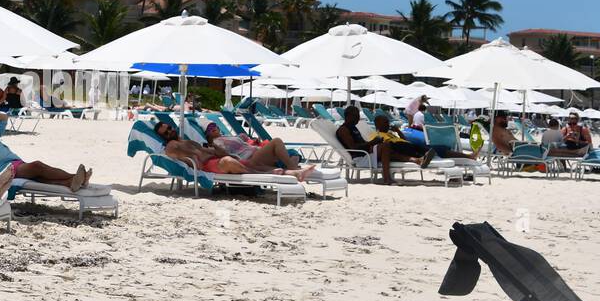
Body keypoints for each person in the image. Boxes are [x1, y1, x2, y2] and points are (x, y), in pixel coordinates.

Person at [0, 108, 90, 190]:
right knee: (37, 166)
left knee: (38, 176)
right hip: (4, 168)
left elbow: (3, 118)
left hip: (16, 163)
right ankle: (77, 177)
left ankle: (70, 182)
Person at [154, 120, 317, 180]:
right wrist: (195, 155)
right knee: (229, 162)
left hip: (222, 158)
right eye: (166, 133)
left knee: (234, 160)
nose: (170, 132)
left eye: (169, 128)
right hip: (210, 166)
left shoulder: (188, 140)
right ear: (164, 137)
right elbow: (173, 153)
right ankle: (270, 175)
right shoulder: (171, 145)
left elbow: (213, 152)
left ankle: (294, 172)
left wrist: (216, 150)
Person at [334, 106, 435, 184]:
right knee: (386, 145)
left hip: (366, 153)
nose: (358, 118)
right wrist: (372, 143)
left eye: (358, 115)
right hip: (360, 158)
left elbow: (360, 143)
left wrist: (372, 144)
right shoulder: (344, 130)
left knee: (387, 148)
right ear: (348, 116)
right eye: (356, 115)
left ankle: (417, 160)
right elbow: (353, 147)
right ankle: (386, 178)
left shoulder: (353, 128)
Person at [201, 121, 316, 177]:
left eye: (215, 125)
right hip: (250, 159)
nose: (214, 128)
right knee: (277, 141)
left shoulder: (226, 136)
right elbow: (224, 154)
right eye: (211, 128)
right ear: (207, 134)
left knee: (291, 154)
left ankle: (294, 171)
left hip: (256, 153)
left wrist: (243, 138)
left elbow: (243, 144)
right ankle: (294, 168)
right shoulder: (214, 144)